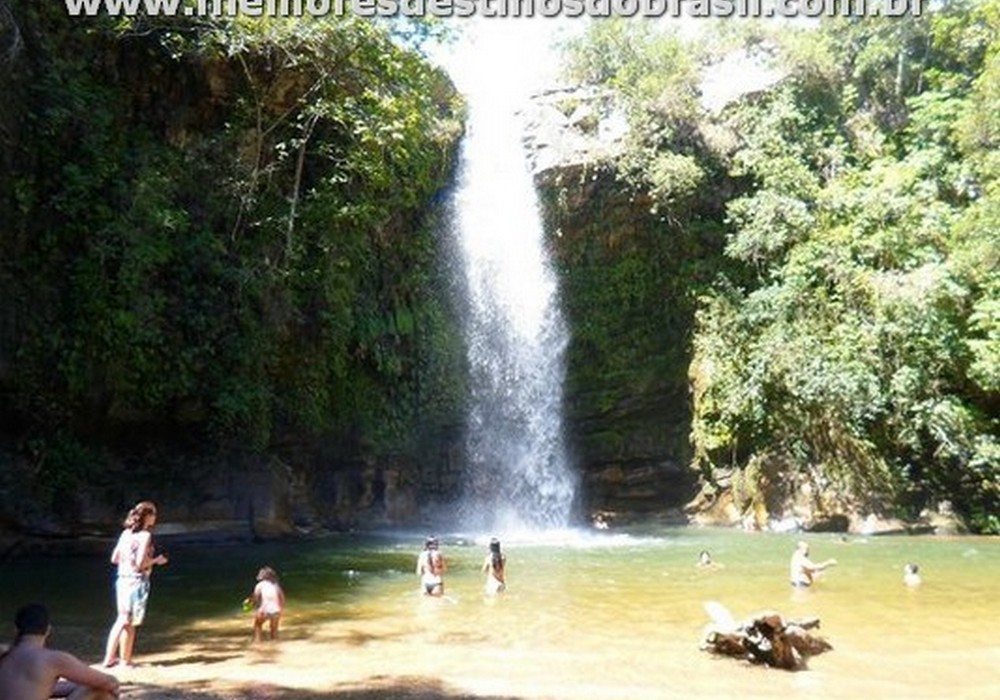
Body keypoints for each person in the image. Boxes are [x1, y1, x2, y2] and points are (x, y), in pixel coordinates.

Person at [0, 603, 119, 700]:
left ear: (15, 629)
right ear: (48, 630)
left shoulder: (6, 655)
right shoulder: (52, 660)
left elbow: (28, 687)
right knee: (98, 689)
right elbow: (109, 682)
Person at [101, 501, 168, 667]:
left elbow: (114, 558)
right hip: (136, 581)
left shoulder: (125, 534)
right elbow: (140, 563)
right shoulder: (145, 536)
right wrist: (156, 560)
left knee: (128, 621)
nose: (155, 518)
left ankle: (125, 659)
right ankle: (109, 658)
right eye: (154, 514)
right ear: (147, 516)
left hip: (122, 579)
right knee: (123, 619)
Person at [246, 566, 285, 642]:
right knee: (274, 631)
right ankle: (275, 646)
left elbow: (255, 598)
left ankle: (258, 643)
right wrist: (280, 610)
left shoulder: (260, 585)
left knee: (257, 626)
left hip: (264, 610)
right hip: (276, 611)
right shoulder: (276, 585)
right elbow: (282, 599)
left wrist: (249, 603)